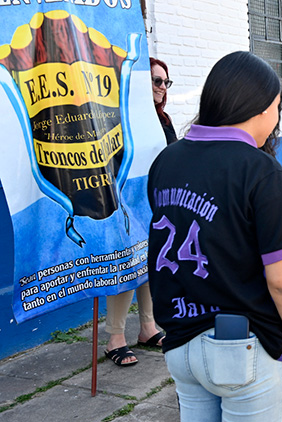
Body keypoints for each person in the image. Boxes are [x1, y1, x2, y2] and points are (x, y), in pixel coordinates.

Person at [147, 51, 282, 422]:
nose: (276, 119)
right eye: (277, 108)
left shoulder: (165, 161)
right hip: (242, 351)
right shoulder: (260, 170)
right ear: (261, 108)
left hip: (180, 346)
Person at [102, 58, 177, 367]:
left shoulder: (164, 120)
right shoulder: (122, 118)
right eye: (155, 81)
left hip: (156, 203)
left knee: (150, 265)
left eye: (164, 82)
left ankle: (148, 328)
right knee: (125, 264)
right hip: (125, 202)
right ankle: (114, 338)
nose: (161, 87)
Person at [151, 57, 177, 144]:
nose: (163, 87)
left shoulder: (164, 118)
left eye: (166, 82)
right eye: (157, 81)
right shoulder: (128, 118)